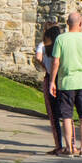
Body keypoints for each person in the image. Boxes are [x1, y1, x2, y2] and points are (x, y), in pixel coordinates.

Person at [49, 11, 82, 158]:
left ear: (67, 23)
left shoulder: (60, 39)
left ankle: (69, 148)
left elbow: (56, 61)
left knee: (67, 117)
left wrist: (52, 81)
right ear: (80, 23)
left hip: (66, 82)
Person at [34, 23, 63, 154]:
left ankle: (58, 145)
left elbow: (38, 57)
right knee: (67, 114)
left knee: (53, 115)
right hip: (62, 78)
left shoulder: (43, 45)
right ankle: (71, 145)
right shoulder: (61, 44)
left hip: (49, 77)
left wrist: (44, 65)